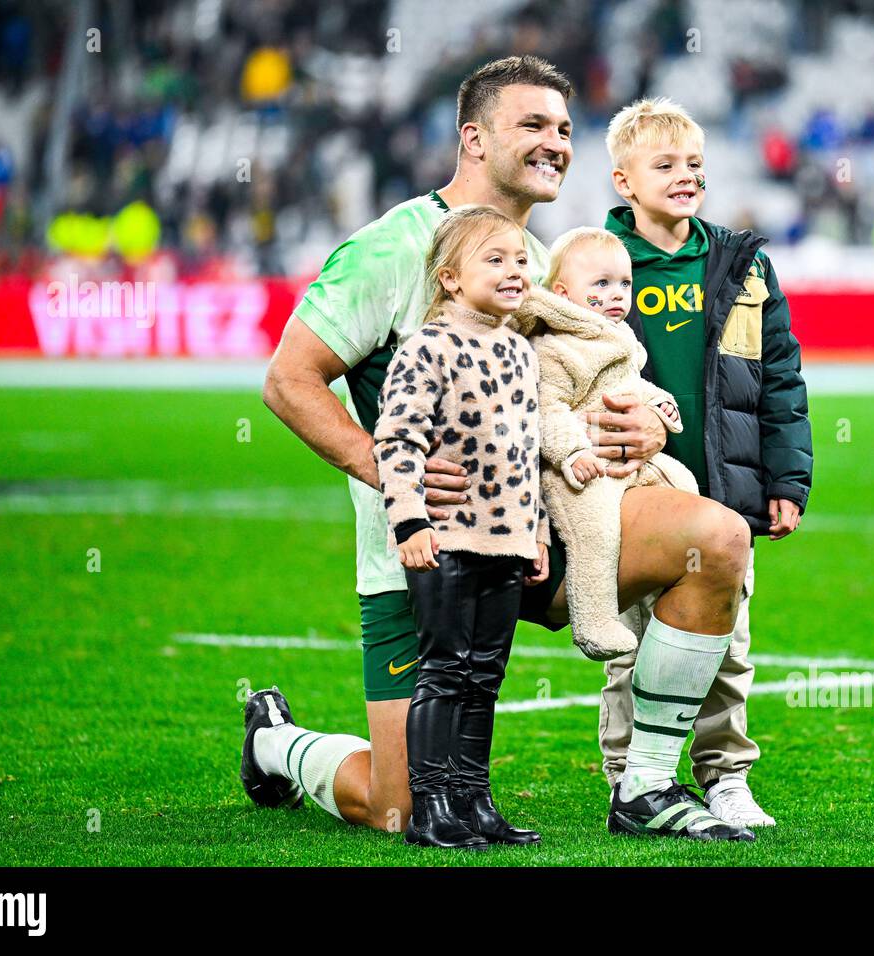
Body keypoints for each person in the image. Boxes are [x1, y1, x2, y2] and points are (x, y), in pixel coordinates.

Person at [243, 56, 753, 839]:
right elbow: (290, 380)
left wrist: (647, 424)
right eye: (533, 125)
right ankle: (277, 744)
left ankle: (645, 788)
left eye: (564, 129)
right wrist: (388, 469)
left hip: (544, 531)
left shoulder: (541, 259)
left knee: (714, 537)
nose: (555, 142)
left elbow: (580, 386)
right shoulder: (394, 246)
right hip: (425, 557)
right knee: (397, 806)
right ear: (473, 139)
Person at [597, 98, 813, 829]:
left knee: (726, 646)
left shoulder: (741, 262)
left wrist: (786, 479)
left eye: (694, 164)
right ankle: (634, 778)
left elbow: (780, 376)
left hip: (726, 490)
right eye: (665, 166)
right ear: (623, 180)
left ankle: (725, 776)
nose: (686, 177)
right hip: (633, 493)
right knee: (632, 644)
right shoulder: (593, 262)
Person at [374, 205, 547, 849]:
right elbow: (396, 438)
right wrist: (410, 521)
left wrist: (539, 535)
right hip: (447, 539)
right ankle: (432, 805)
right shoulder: (427, 347)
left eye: (521, 260)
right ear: (449, 279)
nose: (513, 271)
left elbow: (528, 453)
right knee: (445, 667)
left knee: (487, 674)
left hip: (506, 541)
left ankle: (474, 800)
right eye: (494, 260)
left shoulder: (520, 352)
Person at [517, 228, 695, 662]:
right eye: (601, 284)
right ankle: (593, 619)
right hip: (578, 469)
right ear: (562, 292)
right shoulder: (555, 347)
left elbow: (633, 386)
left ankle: (663, 596)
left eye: (625, 284)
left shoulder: (619, 337)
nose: (617, 294)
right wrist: (572, 453)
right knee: (595, 531)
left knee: (683, 485)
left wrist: (660, 408)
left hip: (630, 460)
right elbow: (545, 410)